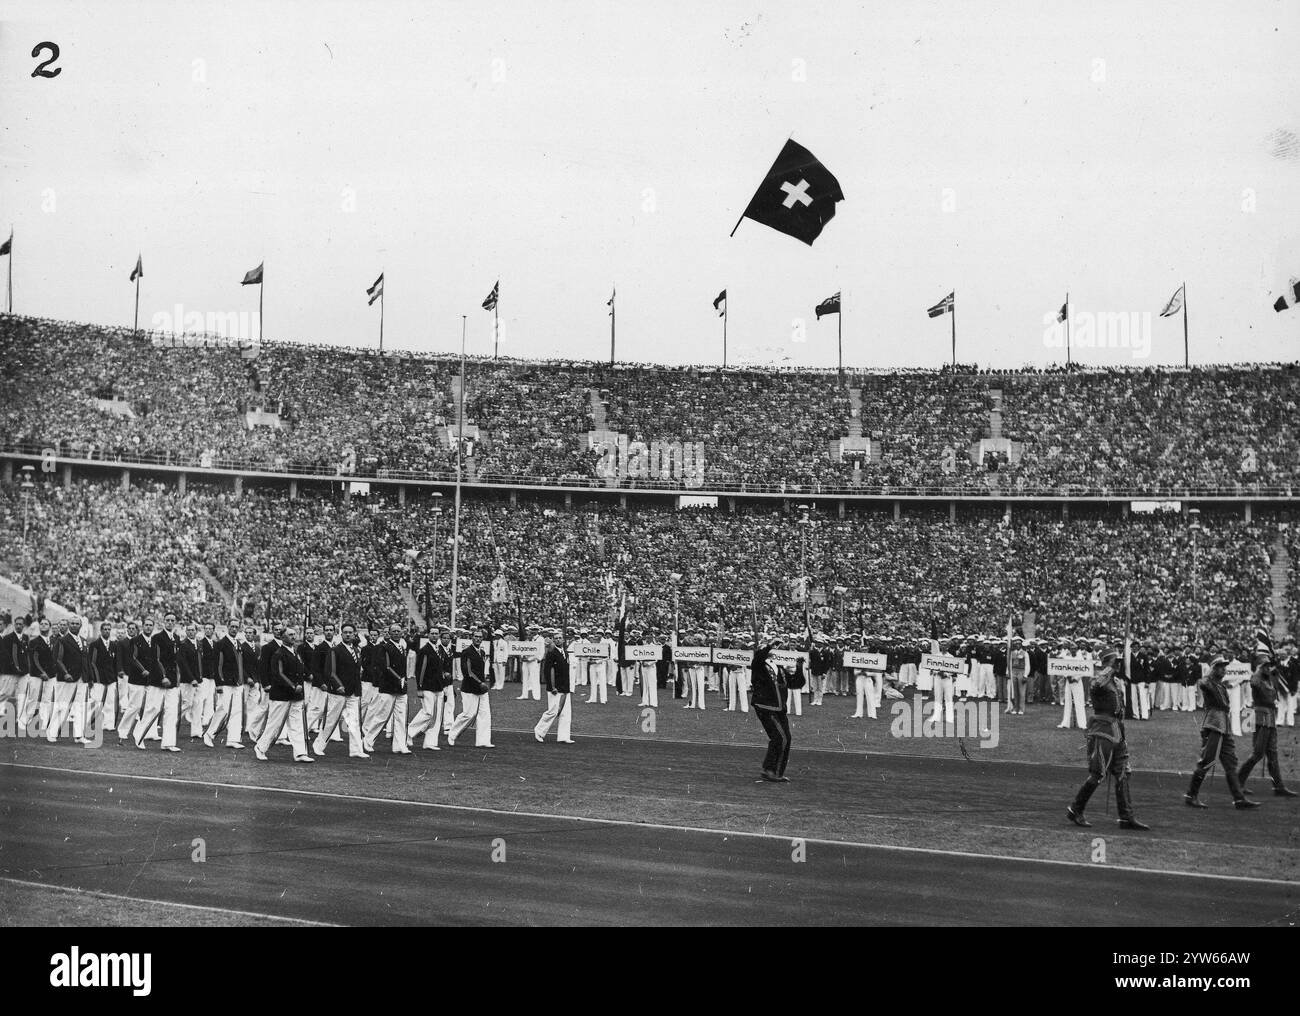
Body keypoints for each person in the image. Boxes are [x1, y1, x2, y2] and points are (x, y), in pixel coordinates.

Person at [1066, 648, 1149, 830]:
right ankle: (1075, 809)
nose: (1118, 664)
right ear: (1106, 662)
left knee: (1122, 773)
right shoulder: (1099, 679)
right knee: (1098, 773)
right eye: (1115, 661)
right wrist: (1109, 668)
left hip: (1116, 730)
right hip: (1102, 729)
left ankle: (1126, 816)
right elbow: (1096, 684)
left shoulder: (1114, 682)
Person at [1184, 655, 1259, 810]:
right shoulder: (1209, 682)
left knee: (1230, 763)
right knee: (1207, 760)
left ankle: (1239, 798)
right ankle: (1191, 795)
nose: (1224, 669)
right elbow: (1203, 683)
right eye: (1221, 667)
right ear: (1214, 668)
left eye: (1225, 667)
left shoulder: (1221, 685)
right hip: (1214, 725)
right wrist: (1210, 675)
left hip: (1224, 725)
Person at [1236, 647, 1298, 798]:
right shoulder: (1257, 678)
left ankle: (1279, 787)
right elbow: (1254, 683)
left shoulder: (1269, 678)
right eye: (1264, 665)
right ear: (1259, 666)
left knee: (1273, 754)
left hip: (1270, 717)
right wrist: (1259, 671)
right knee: (1257, 754)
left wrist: (1273, 674)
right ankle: (1237, 782)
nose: (1267, 667)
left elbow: (1274, 691)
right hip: (1260, 717)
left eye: (1268, 665)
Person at [254, 626, 313, 762]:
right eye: (290, 635)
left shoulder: (295, 652)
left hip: (296, 696)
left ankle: (300, 753)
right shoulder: (279, 654)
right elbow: (278, 674)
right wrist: (293, 686)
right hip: (281, 695)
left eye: (294, 634)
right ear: (283, 637)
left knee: (297, 724)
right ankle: (260, 747)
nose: (293, 637)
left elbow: (300, 670)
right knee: (274, 724)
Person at [751, 635, 803, 782]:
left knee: (785, 738)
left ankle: (772, 770)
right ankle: (772, 771)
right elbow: (758, 658)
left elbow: (795, 683)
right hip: (765, 706)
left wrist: (799, 667)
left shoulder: (779, 667)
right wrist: (769, 645)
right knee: (780, 738)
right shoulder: (758, 665)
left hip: (779, 708)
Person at [314, 622, 368, 758]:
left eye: (350, 632)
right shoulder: (335, 650)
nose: (348, 634)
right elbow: (330, 671)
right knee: (331, 720)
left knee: (354, 721)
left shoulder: (356, 650)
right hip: (338, 692)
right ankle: (318, 745)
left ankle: (356, 750)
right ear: (341, 634)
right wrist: (338, 685)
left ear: (355, 634)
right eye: (345, 632)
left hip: (353, 691)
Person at [448, 626, 494, 748]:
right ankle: (452, 734)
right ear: (472, 638)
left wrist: (483, 683)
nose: (478, 639)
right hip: (469, 688)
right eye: (476, 637)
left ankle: (483, 741)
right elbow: (467, 672)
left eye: (480, 637)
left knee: (485, 714)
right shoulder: (467, 652)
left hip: (481, 688)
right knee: (468, 714)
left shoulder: (482, 652)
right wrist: (480, 683)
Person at [204, 621, 246, 749]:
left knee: (237, 711)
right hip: (226, 682)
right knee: (223, 709)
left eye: (236, 627)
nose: (234, 629)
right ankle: (209, 734)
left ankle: (233, 739)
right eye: (232, 627)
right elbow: (218, 665)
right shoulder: (221, 644)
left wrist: (241, 680)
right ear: (228, 628)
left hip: (237, 683)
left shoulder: (238, 643)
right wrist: (219, 683)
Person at [534, 629, 573, 743]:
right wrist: (552, 686)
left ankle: (564, 736)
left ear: (563, 639)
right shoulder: (551, 652)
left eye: (560, 638)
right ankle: (539, 730)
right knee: (553, 711)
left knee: (566, 713)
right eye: (555, 638)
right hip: (555, 687)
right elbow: (547, 670)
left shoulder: (564, 651)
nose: (558, 640)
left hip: (565, 686)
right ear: (553, 640)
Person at [85, 621, 119, 740]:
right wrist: (94, 677)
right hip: (98, 677)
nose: (107, 631)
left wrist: (114, 677)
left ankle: (108, 724)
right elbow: (92, 662)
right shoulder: (95, 645)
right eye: (104, 629)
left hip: (111, 678)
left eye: (109, 629)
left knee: (110, 702)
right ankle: (88, 722)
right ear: (101, 631)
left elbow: (115, 663)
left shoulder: (114, 645)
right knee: (96, 701)